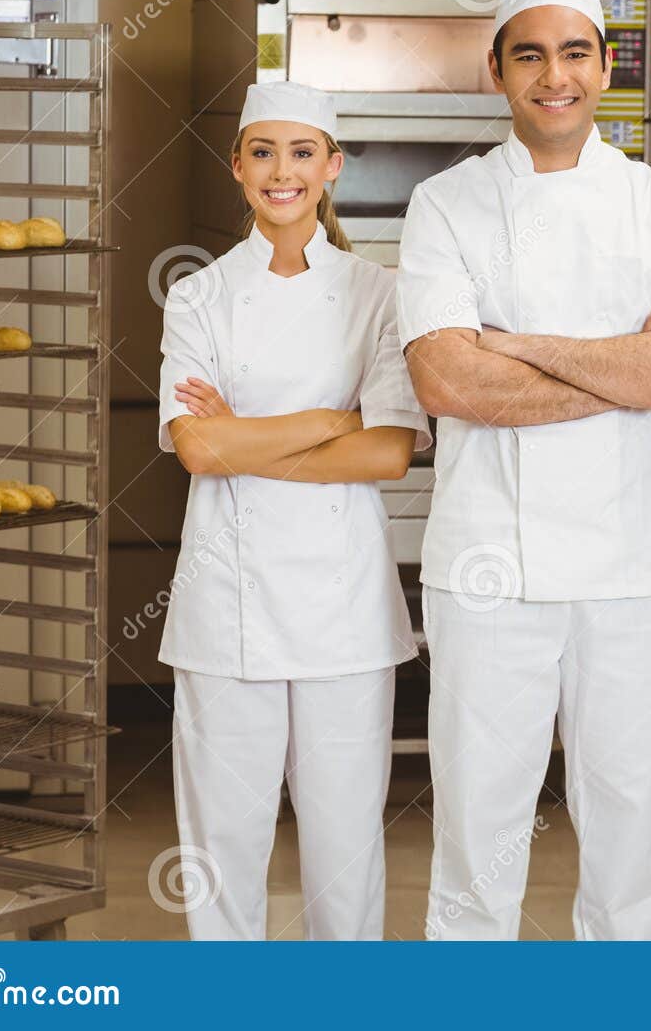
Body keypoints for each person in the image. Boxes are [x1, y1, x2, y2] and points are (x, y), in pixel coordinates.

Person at [396, 0, 651, 940]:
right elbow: (446, 382)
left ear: (605, 66)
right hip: (488, 562)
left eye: (575, 52)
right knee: (478, 824)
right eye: (531, 55)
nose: (555, 76)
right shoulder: (447, 203)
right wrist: (630, 363)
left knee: (629, 829)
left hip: (628, 563)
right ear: (496, 69)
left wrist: (513, 344)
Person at [156, 80, 429, 940]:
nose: (283, 172)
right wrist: (328, 421)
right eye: (264, 153)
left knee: (345, 856)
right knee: (222, 851)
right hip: (224, 607)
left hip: (344, 614)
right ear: (236, 166)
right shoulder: (198, 296)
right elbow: (196, 450)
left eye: (303, 153)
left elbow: (388, 452)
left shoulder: (379, 294)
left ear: (332, 166)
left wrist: (242, 436)